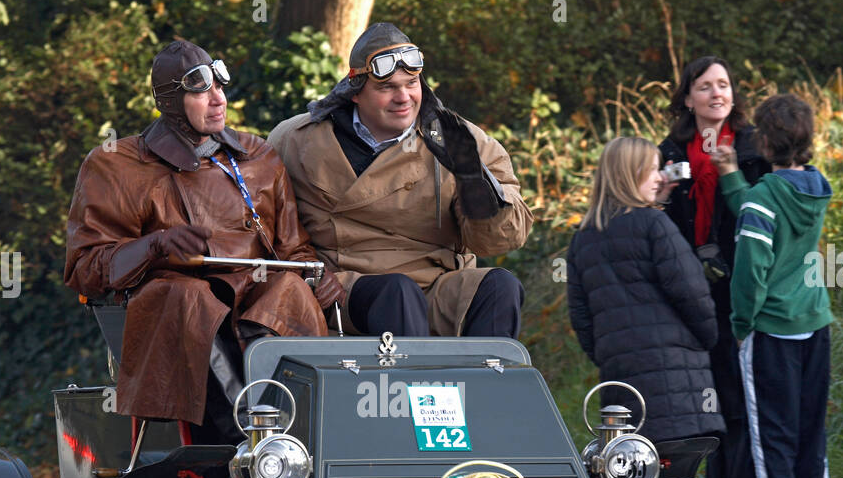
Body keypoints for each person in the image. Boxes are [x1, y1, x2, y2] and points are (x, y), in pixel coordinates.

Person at [65, 40, 330, 432]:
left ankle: (301, 433)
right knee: (191, 298)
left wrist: (332, 289)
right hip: (177, 317)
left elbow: (295, 250)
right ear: (170, 101)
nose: (217, 99)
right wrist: (153, 246)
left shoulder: (258, 156)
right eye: (201, 90)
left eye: (219, 87)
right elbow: (85, 269)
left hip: (254, 301)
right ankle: (241, 437)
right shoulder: (115, 163)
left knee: (290, 288)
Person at [268, 23, 532, 339]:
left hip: (437, 285)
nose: (403, 98)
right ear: (355, 92)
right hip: (349, 288)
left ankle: (488, 386)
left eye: (411, 83)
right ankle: (414, 388)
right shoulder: (297, 139)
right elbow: (265, 220)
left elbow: (502, 241)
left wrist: (473, 181)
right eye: (387, 88)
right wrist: (308, 274)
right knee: (397, 292)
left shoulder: (461, 139)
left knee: (500, 287)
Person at [714, 93, 833, 478]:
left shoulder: (763, 200)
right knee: (810, 434)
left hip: (771, 333)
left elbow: (750, 271)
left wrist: (741, 324)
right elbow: (764, 212)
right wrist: (731, 177)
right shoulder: (816, 187)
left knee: (772, 441)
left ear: (763, 141)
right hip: (816, 323)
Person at [659, 56, 771, 478]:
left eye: (723, 85)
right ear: (687, 98)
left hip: (737, 295)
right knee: (700, 416)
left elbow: (764, 217)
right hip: (685, 298)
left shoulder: (751, 148)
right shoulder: (668, 152)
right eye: (705, 87)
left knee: (740, 414)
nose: (716, 93)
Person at [566, 137, 722, 443]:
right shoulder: (654, 225)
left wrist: (608, 356)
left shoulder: (582, 239)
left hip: (621, 383)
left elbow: (581, 316)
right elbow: (691, 291)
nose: (661, 177)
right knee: (679, 475)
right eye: (652, 170)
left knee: (635, 475)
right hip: (678, 380)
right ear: (629, 174)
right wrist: (708, 339)